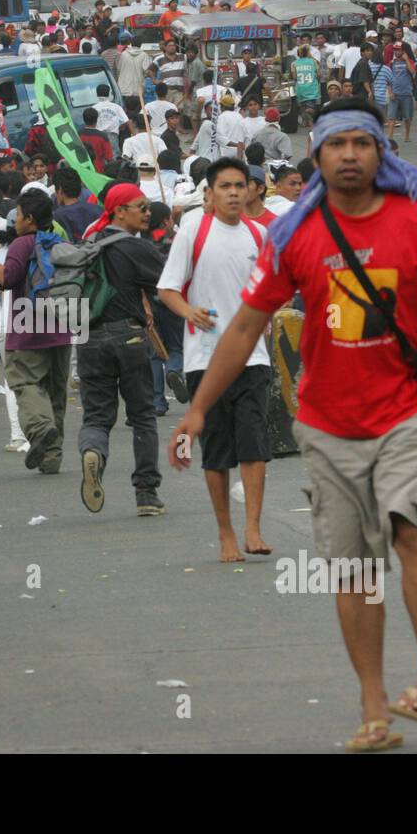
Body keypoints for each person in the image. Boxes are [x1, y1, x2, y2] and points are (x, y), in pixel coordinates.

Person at [171, 97, 417, 752]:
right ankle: (374, 708)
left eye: (362, 142)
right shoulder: (295, 233)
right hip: (326, 423)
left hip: (408, 410)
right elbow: (245, 325)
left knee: (412, 532)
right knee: (352, 569)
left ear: (380, 152)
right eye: (336, 144)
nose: (349, 154)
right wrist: (199, 404)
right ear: (317, 156)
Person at [159, 157, 273, 560]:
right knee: (219, 450)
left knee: (255, 444)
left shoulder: (260, 236)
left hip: (253, 358)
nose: (233, 193)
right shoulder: (194, 232)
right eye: (224, 187)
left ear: (252, 190)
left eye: (240, 186)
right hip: (204, 360)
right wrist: (189, 311)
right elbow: (168, 289)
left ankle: (253, 528)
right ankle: (225, 533)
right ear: (209, 194)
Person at [77, 184, 167, 515]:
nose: (147, 213)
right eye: (140, 207)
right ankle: (146, 493)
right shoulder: (136, 248)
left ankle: (94, 454)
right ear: (119, 211)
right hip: (128, 337)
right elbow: (166, 285)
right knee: (142, 415)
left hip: (89, 337)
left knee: (97, 415)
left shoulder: (88, 244)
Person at [0, 189, 74, 473]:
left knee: (23, 382)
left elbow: (7, 278)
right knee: (56, 393)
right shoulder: (59, 242)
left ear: (29, 219)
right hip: (63, 326)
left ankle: (40, 428)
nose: (15, 220)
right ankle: (51, 458)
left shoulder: (22, 244)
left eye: (18, 215)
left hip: (28, 325)